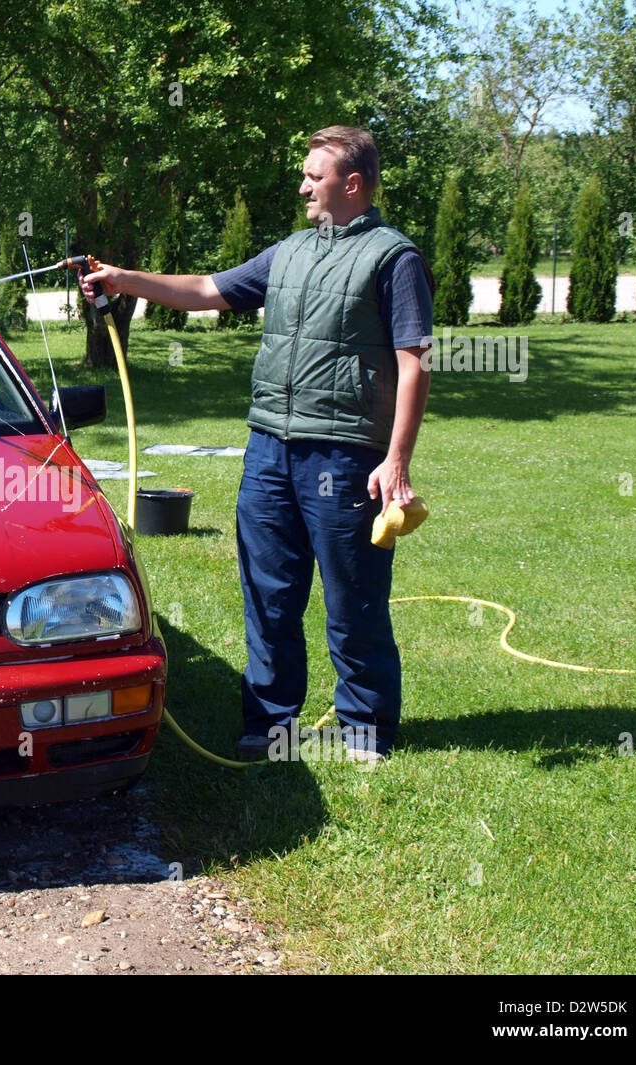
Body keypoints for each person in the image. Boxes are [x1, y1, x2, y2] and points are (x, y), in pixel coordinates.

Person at [80, 126, 432, 765]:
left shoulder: (393, 257)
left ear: (351, 185)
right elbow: (208, 291)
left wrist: (396, 461)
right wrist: (123, 278)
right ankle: (270, 724)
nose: (302, 185)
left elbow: (415, 363)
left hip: (346, 454)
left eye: (313, 176)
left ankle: (365, 729)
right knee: (269, 592)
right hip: (269, 450)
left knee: (352, 598)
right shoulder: (290, 252)